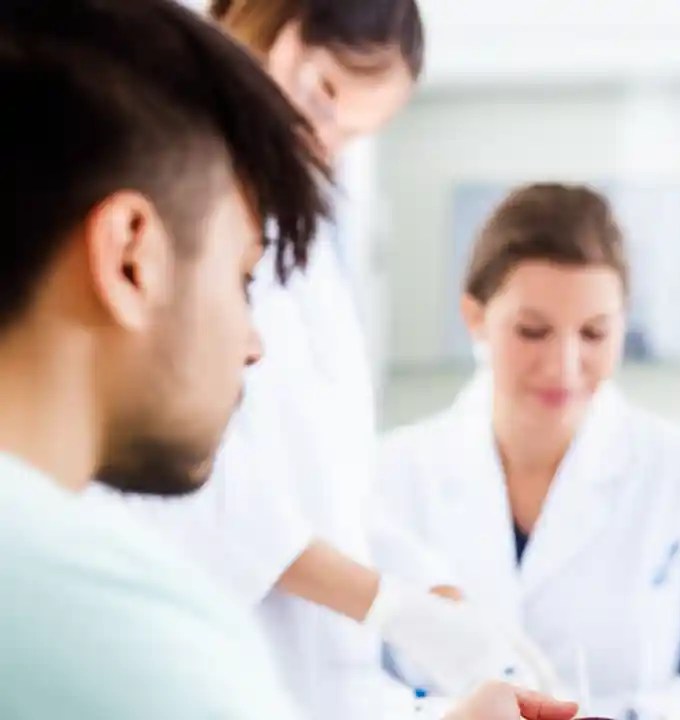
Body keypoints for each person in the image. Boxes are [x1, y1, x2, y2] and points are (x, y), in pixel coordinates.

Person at [89, 1, 556, 717]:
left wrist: (431, 591)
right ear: (262, 16)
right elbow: (169, 477)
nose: (322, 142)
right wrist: (380, 600)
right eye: (325, 93)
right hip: (203, 661)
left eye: (355, 132)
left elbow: (334, 480)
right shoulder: (159, 191)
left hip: (324, 683)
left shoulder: (306, 254)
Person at [377, 184, 680, 718]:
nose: (564, 365)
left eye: (594, 334)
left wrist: (622, 717)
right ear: (475, 317)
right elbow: (341, 679)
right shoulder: (390, 474)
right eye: (533, 332)